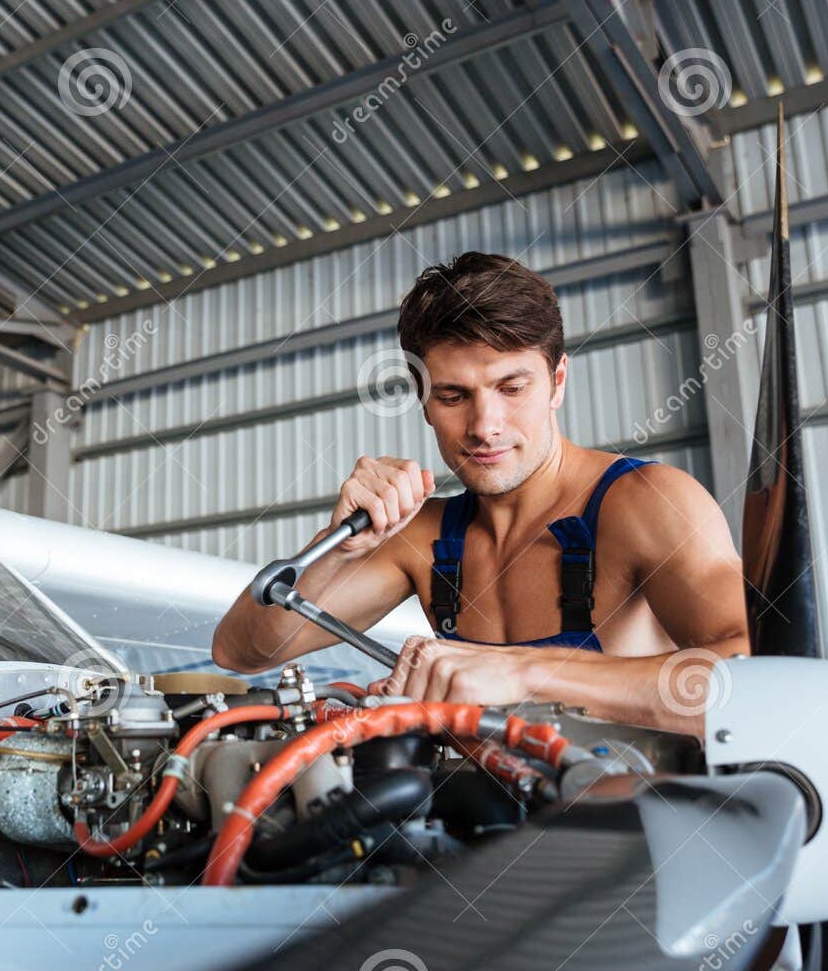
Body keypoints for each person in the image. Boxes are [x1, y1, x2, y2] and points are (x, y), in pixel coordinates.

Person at [212, 252, 749, 734]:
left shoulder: (649, 502)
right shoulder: (422, 537)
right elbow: (242, 650)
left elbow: (752, 673)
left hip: (635, 832)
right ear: (423, 400)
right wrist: (337, 548)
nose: (484, 426)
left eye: (512, 388)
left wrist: (524, 672)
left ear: (558, 381)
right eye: (452, 395)